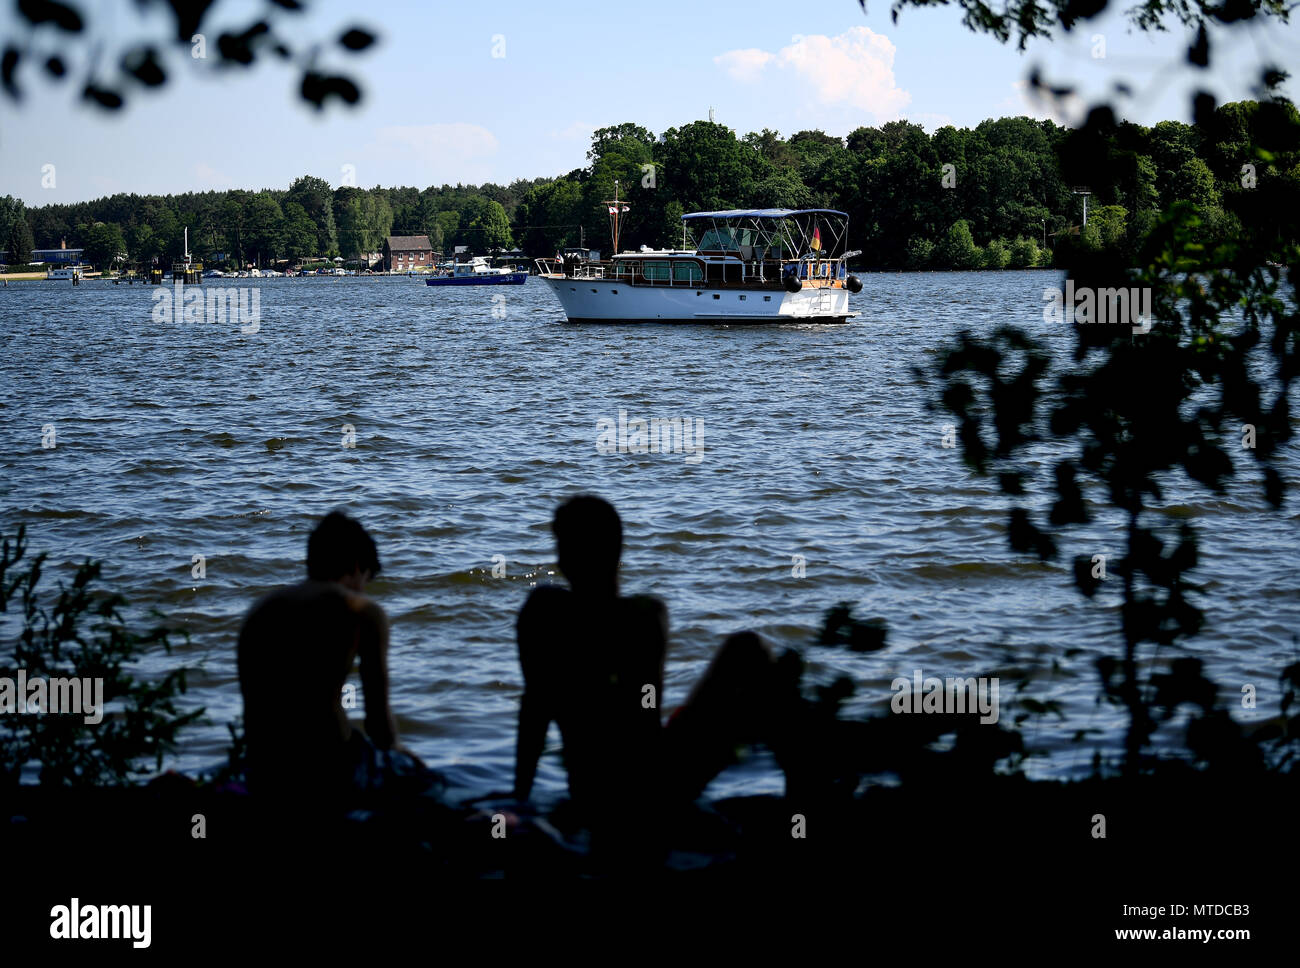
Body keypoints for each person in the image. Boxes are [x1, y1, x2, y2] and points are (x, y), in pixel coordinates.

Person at [514, 496, 791, 848]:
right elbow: (637, 721)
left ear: (567, 556)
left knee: (745, 648)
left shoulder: (545, 614)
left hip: (602, 787)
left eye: (562, 545)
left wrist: (519, 796)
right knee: (748, 649)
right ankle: (802, 786)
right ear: (616, 551)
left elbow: (534, 709)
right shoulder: (645, 615)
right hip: (657, 781)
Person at [237, 510, 418, 801]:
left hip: (264, 765)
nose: (364, 590)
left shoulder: (260, 609)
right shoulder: (361, 612)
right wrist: (400, 753)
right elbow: (378, 724)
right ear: (358, 566)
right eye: (366, 580)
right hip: (330, 764)